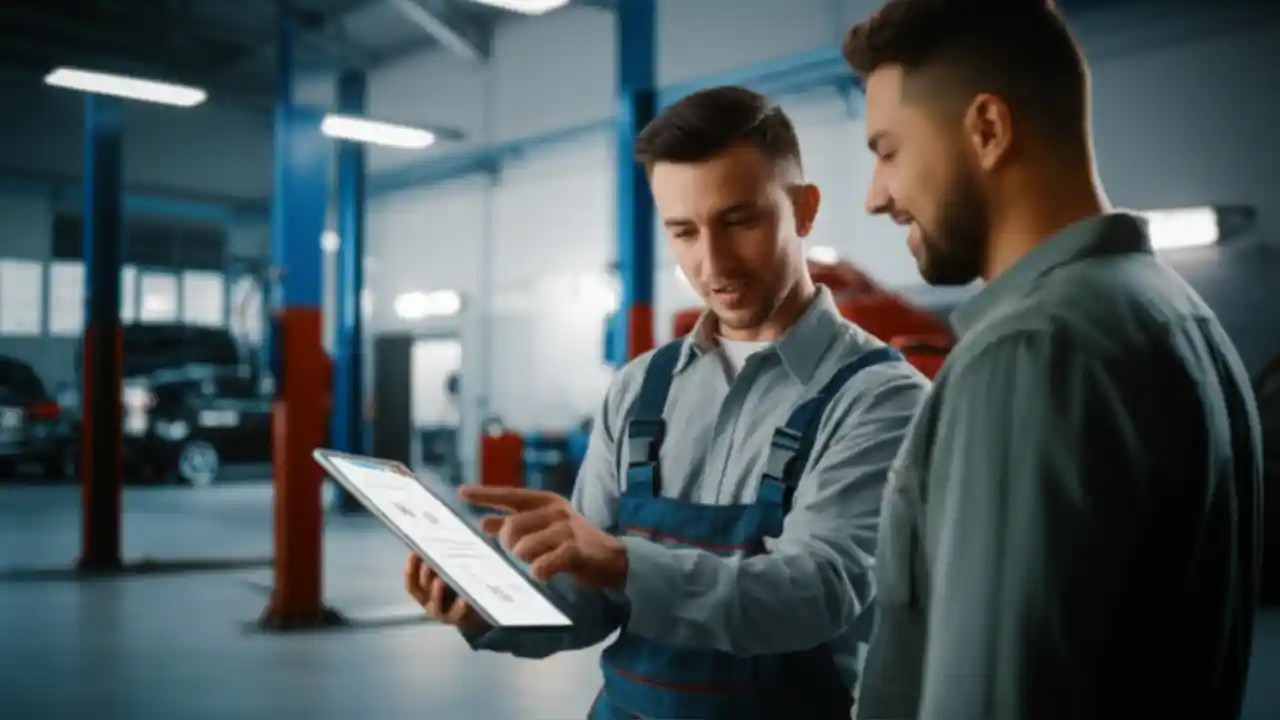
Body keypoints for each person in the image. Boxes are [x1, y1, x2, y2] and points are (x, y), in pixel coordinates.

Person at [405, 85, 929, 719]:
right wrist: (488, 607)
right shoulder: (638, 389)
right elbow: (587, 603)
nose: (713, 262)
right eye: (684, 232)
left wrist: (621, 561)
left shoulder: (880, 399)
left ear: (804, 209)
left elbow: (814, 594)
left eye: (739, 221)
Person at [841, 1, 1264, 718]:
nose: (876, 196)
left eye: (888, 151)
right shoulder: (1176, 315)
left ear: (988, 129)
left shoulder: (1031, 352)